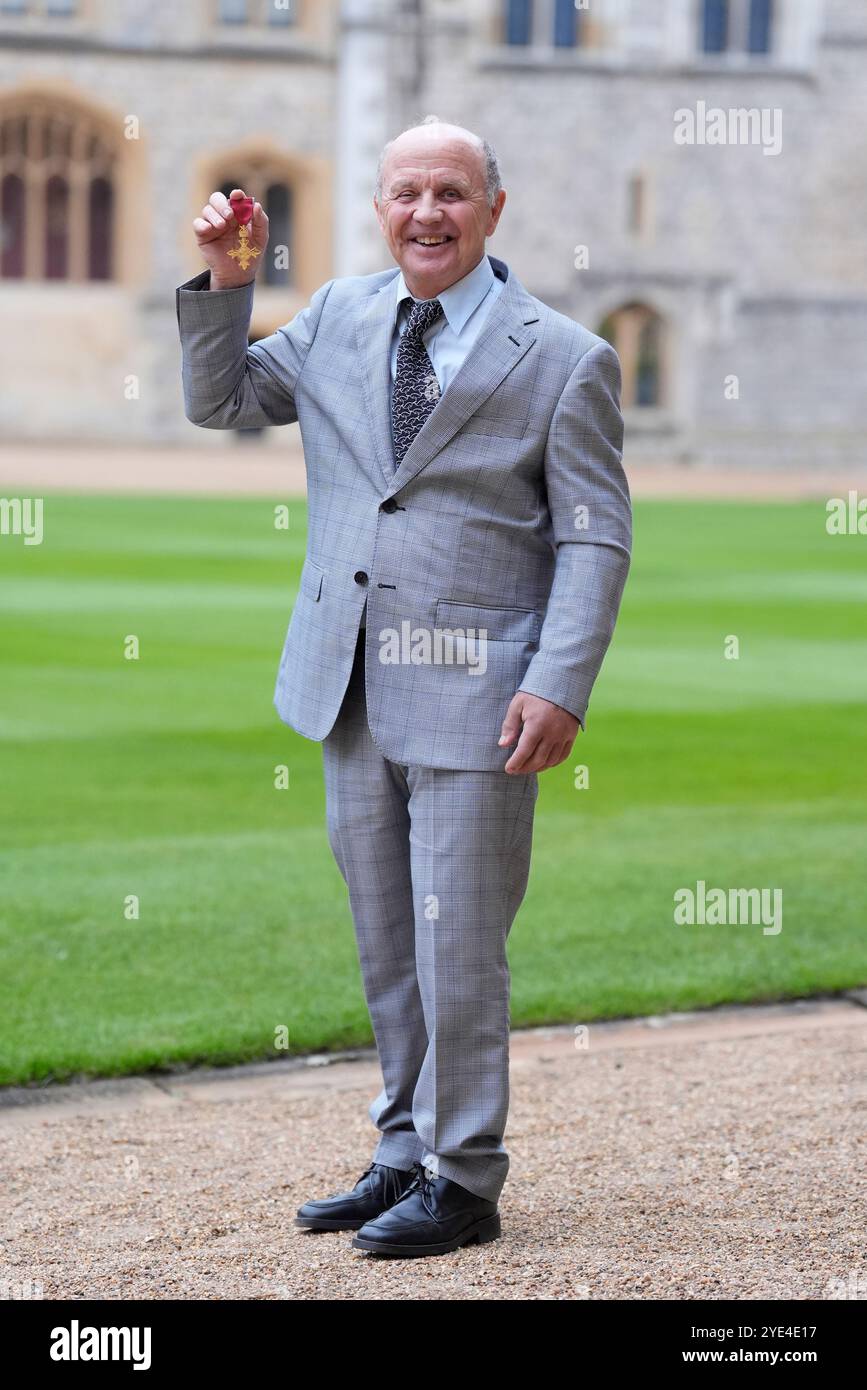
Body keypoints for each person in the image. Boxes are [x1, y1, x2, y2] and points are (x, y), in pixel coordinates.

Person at [175, 115, 631, 1259]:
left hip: (483, 694)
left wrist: (560, 680)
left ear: (493, 208)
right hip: (347, 683)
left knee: (458, 942)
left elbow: (594, 539)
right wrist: (232, 283)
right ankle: (402, 1150)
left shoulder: (567, 355)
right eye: (404, 193)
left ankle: (465, 1174)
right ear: (379, 208)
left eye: (450, 192)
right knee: (387, 936)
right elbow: (223, 403)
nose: (425, 213)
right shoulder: (334, 314)